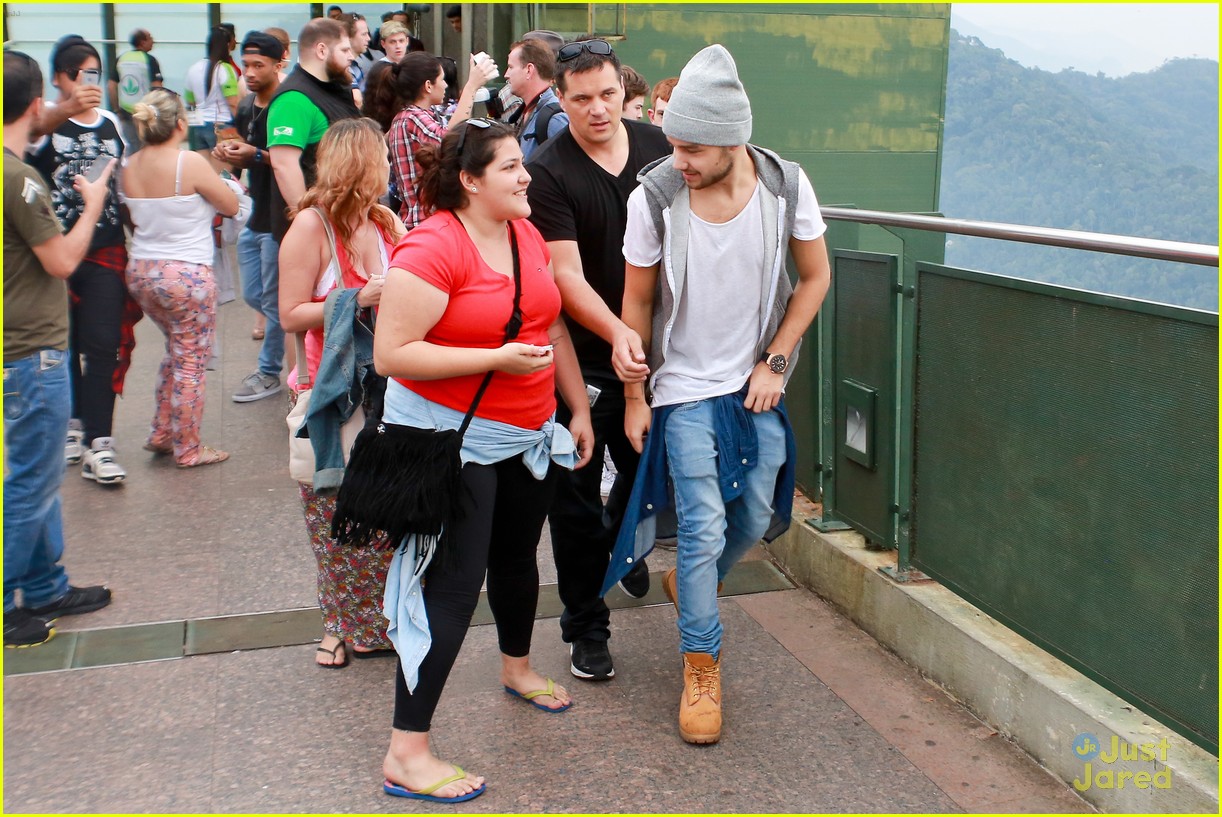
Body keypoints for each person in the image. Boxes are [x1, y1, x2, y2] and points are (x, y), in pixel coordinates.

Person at [610, 44, 832, 745]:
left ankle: (695, 582)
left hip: (750, 383)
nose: (679, 158)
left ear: (732, 138)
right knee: (703, 526)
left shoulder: (788, 187)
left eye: (693, 146)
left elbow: (816, 278)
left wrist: (775, 360)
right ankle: (701, 664)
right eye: (673, 141)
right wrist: (637, 395)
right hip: (680, 387)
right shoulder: (654, 197)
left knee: (757, 511)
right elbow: (636, 301)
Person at [373, 117, 592, 804]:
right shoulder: (432, 248)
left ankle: (518, 667)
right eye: (509, 168)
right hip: (449, 440)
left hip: (525, 434)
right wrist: (493, 359)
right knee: (452, 586)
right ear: (469, 181)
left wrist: (576, 405)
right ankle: (406, 750)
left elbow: (550, 322)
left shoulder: (523, 232)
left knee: (520, 556)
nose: (526, 176)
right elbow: (392, 354)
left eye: (522, 164)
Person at [524, 37, 671, 682]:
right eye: (581, 99)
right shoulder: (549, 168)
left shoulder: (658, 150)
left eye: (608, 95)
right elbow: (565, 273)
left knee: (647, 482)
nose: (598, 110)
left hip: (657, 355)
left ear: (623, 91)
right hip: (580, 358)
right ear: (561, 99)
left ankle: (621, 548)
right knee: (573, 500)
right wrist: (616, 332)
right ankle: (585, 625)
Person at [279, 118, 407, 668]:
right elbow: (289, 313)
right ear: (362, 164)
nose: (388, 167)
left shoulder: (386, 221)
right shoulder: (311, 227)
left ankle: (376, 620)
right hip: (330, 394)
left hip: (388, 387)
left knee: (382, 512)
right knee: (331, 513)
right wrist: (358, 296)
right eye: (380, 157)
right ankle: (336, 622)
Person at [4, 50, 113, 647]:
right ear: (35, 101)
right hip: (32, 351)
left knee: (39, 475)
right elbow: (64, 260)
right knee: (29, 481)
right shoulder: (18, 178)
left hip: (19, 346)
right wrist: (93, 205)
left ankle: (46, 585)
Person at [27, 35, 134, 487]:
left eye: (92, 73)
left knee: (103, 344)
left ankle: (100, 441)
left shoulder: (111, 123)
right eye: (76, 73)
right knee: (63, 347)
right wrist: (61, 111)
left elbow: (123, 185)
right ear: (58, 78)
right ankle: (73, 427)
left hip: (106, 250)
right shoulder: (42, 126)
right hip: (55, 251)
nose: (84, 82)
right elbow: (25, 149)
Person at [119, 90, 241, 468]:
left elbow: (130, 216)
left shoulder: (129, 166)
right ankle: (187, 447)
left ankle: (162, 431)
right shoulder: (187, 163)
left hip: (142, 270)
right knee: (191, 359)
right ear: (181, 125)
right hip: (186, 273)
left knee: (176, 350)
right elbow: (231, 206)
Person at [212, 32, 287, 404]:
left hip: (280, 218)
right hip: (255, 215)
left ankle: (270, 370)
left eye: (260, 65)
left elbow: (297, 162)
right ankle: (291, 341)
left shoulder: (289, 105)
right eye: (248, 65)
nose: (251, 73)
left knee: (272, 299)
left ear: (279, 64)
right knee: (255, 294)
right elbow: (244, 149)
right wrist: (227, 151)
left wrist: (255, 155)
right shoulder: (246, 106)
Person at [266, 18, 359, 244]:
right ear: (321, 50)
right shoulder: (294, 99)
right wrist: (307, 226)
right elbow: (284, 165)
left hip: (342, 220)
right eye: (345, 49)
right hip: (319, 230)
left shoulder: (333, 89)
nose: (352, 56)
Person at [386, 52, 498, 229]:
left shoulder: (420, 115)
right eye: (442, 79)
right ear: (428, 86)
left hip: (426, 220)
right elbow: (448, 141)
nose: (446, 85)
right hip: (423, 221)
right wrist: (471, 87)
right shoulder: (411, 118)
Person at [504, 38, 569, 161]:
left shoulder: (555, 119)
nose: (506, 74)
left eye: (510, 67)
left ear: (529, 70)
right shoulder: (527, 113)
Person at [184, 26, 242, 152]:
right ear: (227, 45)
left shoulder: (193, 68)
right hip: (222, 125)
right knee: (222, 171)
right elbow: (232, 103)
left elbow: (190, 101)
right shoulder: (225, 69)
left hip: (198, 126)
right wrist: (242, 126)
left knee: (202, 169)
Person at [107, 28, 163, 151]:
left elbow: (111, 85)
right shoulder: (150, 60)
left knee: (130, 147)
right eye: (150, 38)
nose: (153, 41)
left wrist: (116, 109)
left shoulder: (121, 58)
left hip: (126, 112)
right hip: (146, 113)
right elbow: (157, 87)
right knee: (147, 147)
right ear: (142, 42)